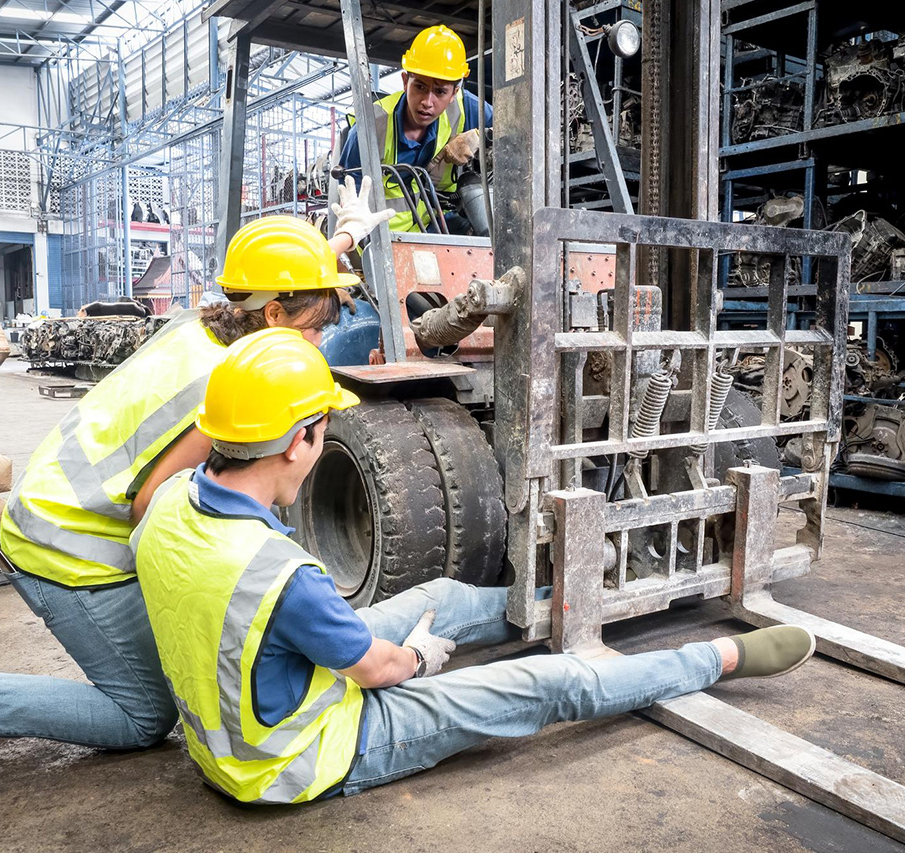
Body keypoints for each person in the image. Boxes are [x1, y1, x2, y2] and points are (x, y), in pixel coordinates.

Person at [131, 329, 818, 804]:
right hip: (300, 758)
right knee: (550, 683)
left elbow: (275, 614)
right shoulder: (282, 574)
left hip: (244, 719)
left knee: (443, 597)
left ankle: (587, 599)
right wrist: (418, 659)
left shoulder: (165, 504)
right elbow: (376, 670)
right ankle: (718, 659)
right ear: (298, 440)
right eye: (322, 434)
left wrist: (405, 646)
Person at [0, 186, 395, 788]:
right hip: (66, 544)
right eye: (315, 329)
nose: (318, 342)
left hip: (56, 501)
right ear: (274, 316)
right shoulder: (223, 388)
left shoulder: (207, 325)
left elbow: (283, 282)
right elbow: (154, 510)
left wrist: (344, 239)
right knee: (145, 715)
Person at [337, 25, 493, 236]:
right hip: (385, 238)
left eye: (440, 91)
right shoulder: (370, 129)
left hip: (438, 226)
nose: (427, 102)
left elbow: (517, 130)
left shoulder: (467, 109)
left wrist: (480, 137)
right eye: (420, 87)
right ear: (405, 82)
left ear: (454, 93)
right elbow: (351, 199)